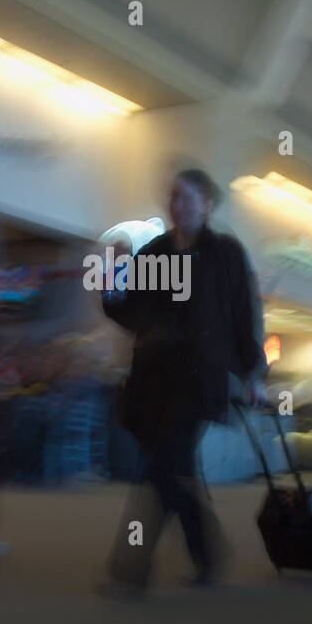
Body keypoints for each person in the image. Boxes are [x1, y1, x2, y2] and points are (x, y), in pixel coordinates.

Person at [96, 167, 267, 597]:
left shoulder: (225, 253)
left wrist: (253, 373)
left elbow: (243, 318)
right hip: (154, 379)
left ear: (207, 204)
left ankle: (130, 570)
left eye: (187, 198)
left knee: (159, 469)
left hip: (199, 379)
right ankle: (208, 556)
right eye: (173, 197)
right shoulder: (156, 251)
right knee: (172, 471)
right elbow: (128, 311)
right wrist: (110, 284)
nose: (177, 205)